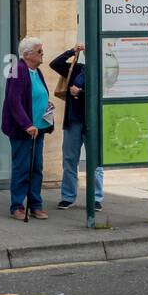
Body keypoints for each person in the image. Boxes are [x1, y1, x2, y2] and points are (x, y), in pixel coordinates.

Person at [2, 36, 56, 220]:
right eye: (39, 51)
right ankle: (17, 206)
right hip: (24, 129)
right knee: (22, 168)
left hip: (38, 128)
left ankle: (36, 205)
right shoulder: (18, 70)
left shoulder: (35, 71)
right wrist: (26, 124)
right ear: (27, 54)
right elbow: (13, 101)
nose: (42, 54)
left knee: (36, 167)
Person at [50, 43, 103, 210]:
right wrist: (72, 51)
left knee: (96, 161)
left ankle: (96, 198)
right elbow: (55, 64)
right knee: (69, 160)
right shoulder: (77, 68)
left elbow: (102, 94)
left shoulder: (104, 71)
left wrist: (79, 93)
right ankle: (68, 196)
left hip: (93, 122)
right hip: (73, 121)